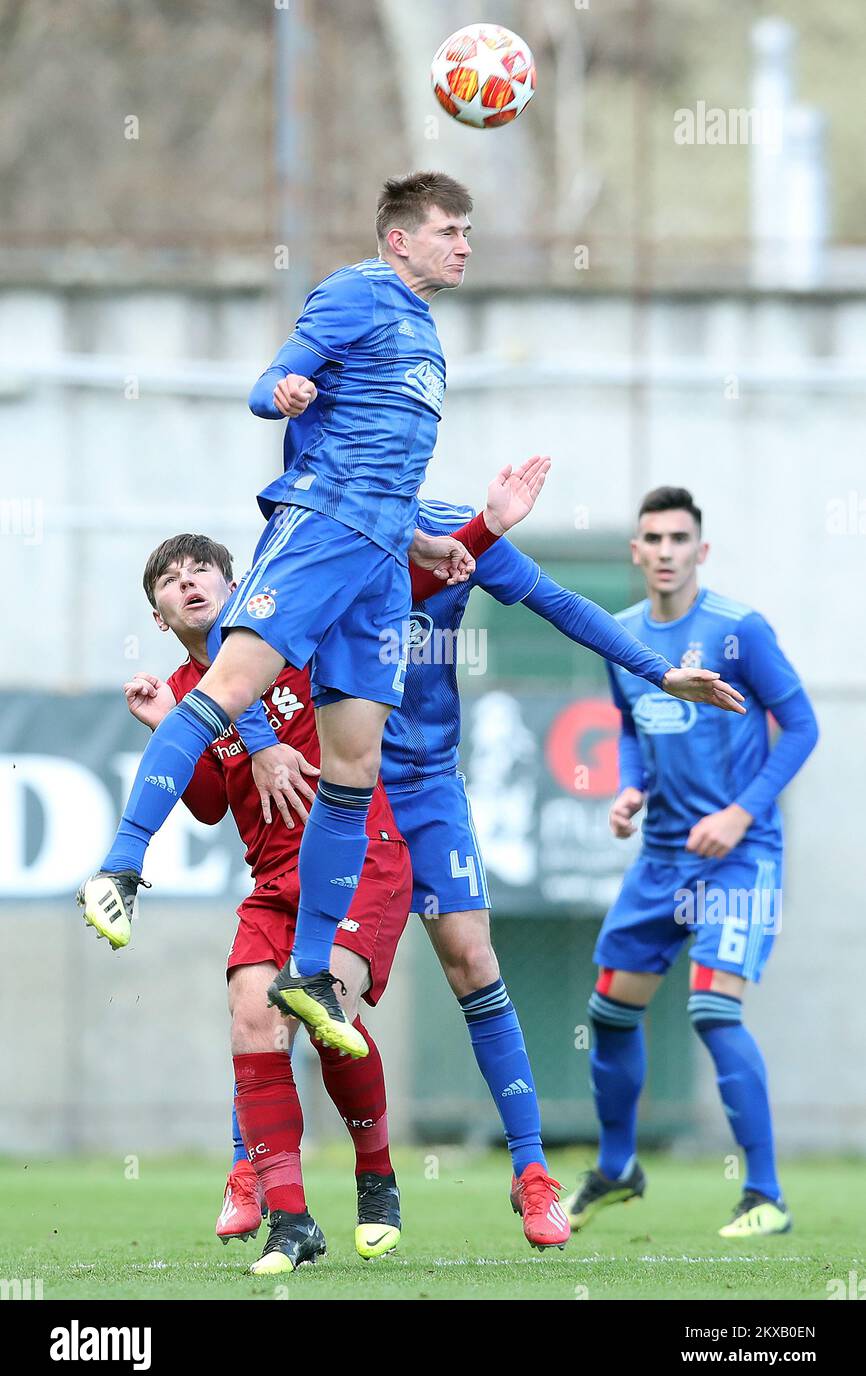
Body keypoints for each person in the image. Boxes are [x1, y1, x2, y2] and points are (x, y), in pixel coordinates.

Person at [79, 172, 476, 1058]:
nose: (464, 244)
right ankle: (120, 868)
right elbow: (272, 380)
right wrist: (282, 396)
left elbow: (384, 455)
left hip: (376, 555)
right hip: (322, 526)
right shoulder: (357, 291)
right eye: (449, 229)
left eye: (467, 231)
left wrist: (416, 543)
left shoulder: (424, 331)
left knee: (354, 761)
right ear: (399, 239)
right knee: (229, 687)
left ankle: (305, 969)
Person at [123, 457, 550, 1273]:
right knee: (255, 1016)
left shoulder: (296, 628)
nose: (189, 583)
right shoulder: (189, 692)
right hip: (273, 880)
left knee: (324, 1014)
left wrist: (484, 530)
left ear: (240, 580)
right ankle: (288, 1216)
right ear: (158, 609)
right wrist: (169, 727)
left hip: (361, 859)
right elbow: (211, 803)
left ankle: (382, 1174)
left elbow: (405, 593)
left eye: (201, 569)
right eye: (171, 579)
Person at [379, 493, 746, 1249]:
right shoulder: (320, 524)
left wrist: (657, 673)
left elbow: (556, 602)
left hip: (424, 783)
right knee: (305, 988)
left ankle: (533, 1173)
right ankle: (283, 1179)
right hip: (341, 791)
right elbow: (257, 648)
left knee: (472, 959)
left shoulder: (452, 526)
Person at [564, 486, 819, 1238]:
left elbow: (801, 727)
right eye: (654, 538)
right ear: (636, 552)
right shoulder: (622, 637)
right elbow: (632, 725)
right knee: (610, 1012)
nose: (667, 551)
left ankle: (765, 1194)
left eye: (681, 539)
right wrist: (629, 788)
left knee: (713, 1008)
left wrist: (742, 813)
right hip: (662, 859)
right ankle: (617, 1168)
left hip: (741, 857)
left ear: (700, 551)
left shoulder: (741, 632)